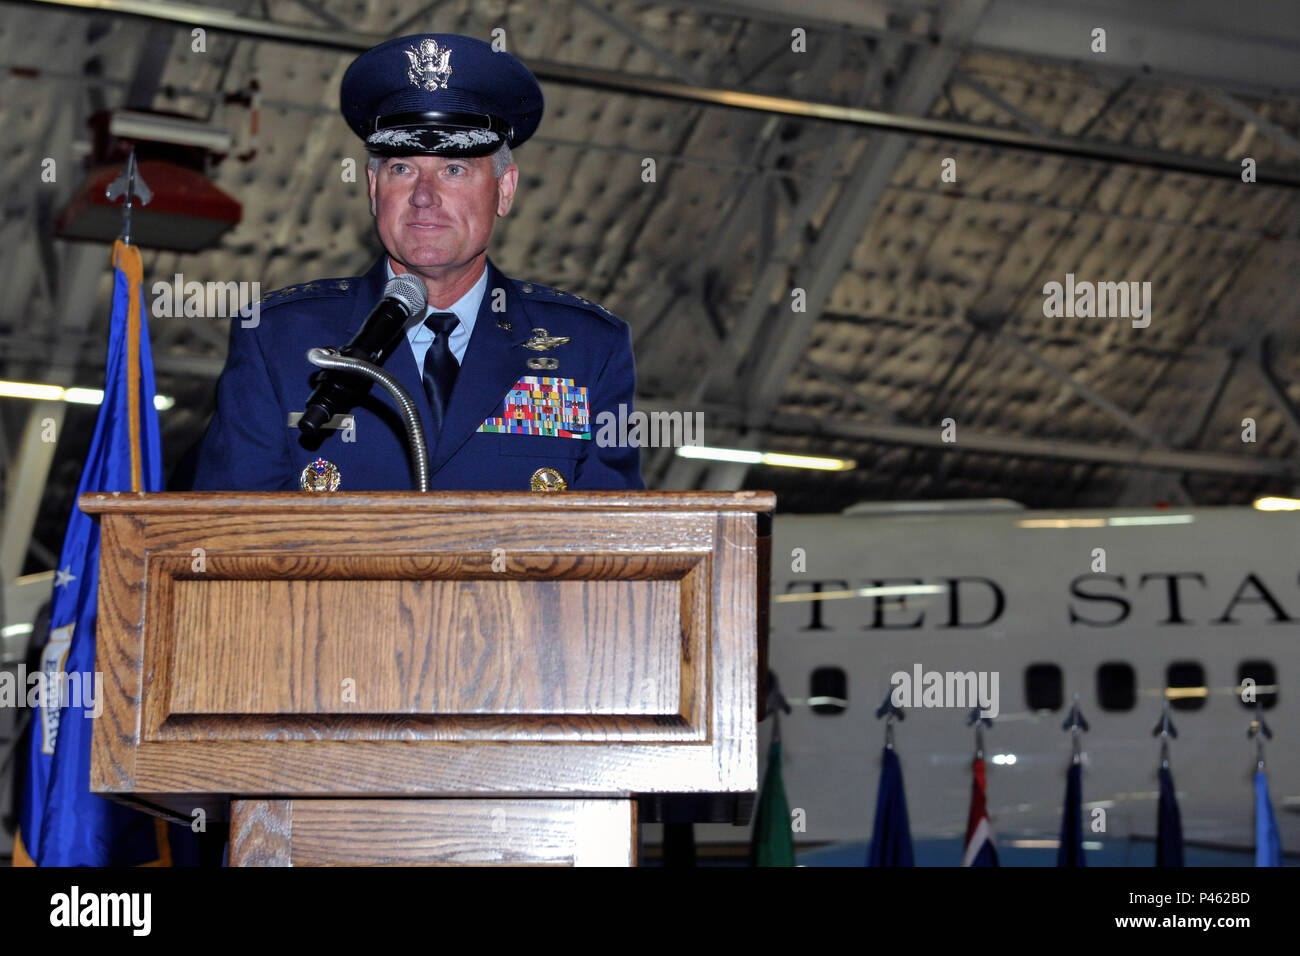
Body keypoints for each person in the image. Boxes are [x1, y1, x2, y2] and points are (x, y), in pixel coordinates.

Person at [188, 33, 643, 492]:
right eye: (401, 168)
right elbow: (225, 531)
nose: (424, 197)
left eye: (454, 169)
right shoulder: (277, 338)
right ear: (372, 186)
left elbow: (616, 543)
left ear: (504, 190)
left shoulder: (588, 350)